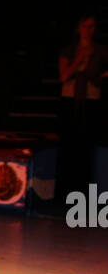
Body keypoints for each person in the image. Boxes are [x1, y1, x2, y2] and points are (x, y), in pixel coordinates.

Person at [56, 15, 108, 208]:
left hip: (91, 101)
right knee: (68, 147)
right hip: (70, 101)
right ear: (79, 28)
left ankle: (84, 196)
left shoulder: (101, 51)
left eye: (92, 26)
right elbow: (64, 76)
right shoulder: (69, 51)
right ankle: (64, 195)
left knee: (86, 149)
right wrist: (80, 57)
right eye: (86, 26)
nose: (89, 29)